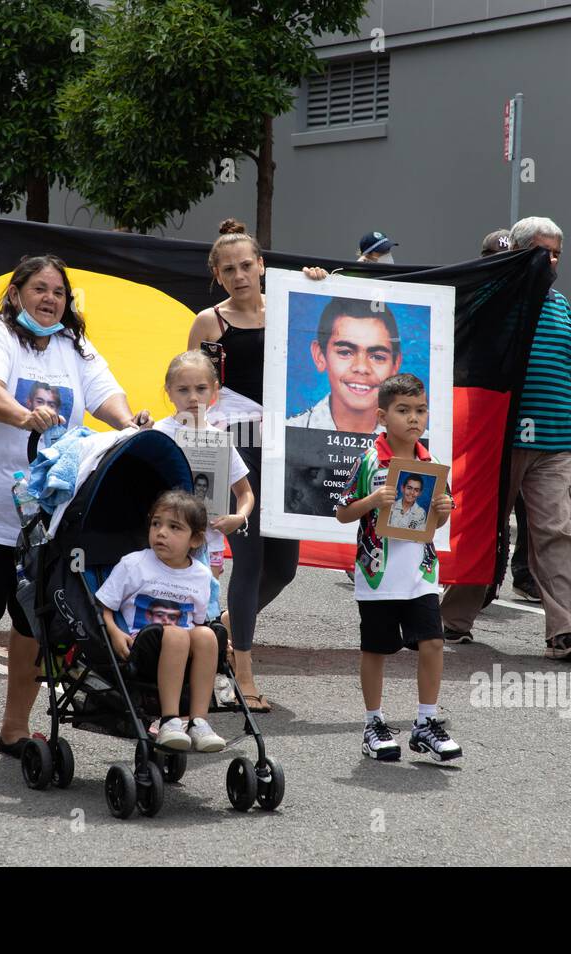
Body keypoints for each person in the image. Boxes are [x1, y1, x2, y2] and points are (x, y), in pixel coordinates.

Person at [0, 254, 151, 754]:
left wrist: (129, 424)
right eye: (40, 289)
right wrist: (24, 416)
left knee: (36, 617)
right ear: (17, 292)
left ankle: (15, 730)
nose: (50, 299)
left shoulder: (75, 346)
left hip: (47, 504)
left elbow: (105, 395)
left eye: (59, 292)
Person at [439, 216, 571, 658]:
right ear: (519, 253)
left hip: (553, 443)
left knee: (556, 532)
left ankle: (567, 630)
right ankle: (453, 619)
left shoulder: (562, 307)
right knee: (484, 528)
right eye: (542, 253)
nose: (551, 261)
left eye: (556, 254)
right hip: (498, 438)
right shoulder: (492, 301)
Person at [186, 219, 315, 712]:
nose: (239, 275)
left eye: (247, 265)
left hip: (287, 449)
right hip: (234, 450)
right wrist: (198, 448)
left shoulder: (289, 307)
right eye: (228, 269)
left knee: (284, 567)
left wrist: (317, 286)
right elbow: (191, 387)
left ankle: (218, 637)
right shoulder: (208, 323)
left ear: (262, 265)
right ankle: (241, 675)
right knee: (251, 560)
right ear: (217, 276)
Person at [336, 373, 462, 762]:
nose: (413, 418)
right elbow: (342, 512)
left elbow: (434, 524)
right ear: (381, 416)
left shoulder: (433, 464)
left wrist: (442, 512)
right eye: (403, 410)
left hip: (421, 574)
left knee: (434, 642)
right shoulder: (369, 461)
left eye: (420, 410)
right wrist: (373, 499)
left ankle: (425, 722)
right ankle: (373, 724)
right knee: (376, 649)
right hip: (377, 575)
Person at [96, 490, 227, 753]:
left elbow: (198, 621)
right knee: (177, 634)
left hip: (184, 653)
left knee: (207, 635)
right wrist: (113, 631)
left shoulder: (201, 575)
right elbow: (102, 605)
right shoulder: (134, 564)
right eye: (156, 524)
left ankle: (199, 721)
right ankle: (170, 719)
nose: (161, 532)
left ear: (196, 539)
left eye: (174, 527)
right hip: (145, 650)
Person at [477, 228, 540, 607]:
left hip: (529, 424)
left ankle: (525, 574)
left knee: (531, 511)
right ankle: (484, 579)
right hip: (488, 425)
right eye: (492, 256)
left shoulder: (534, 301)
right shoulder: (475, 298)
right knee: (491, 512)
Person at [152, 350, 254, 582]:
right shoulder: (157, 433)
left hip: (209, 545)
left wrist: (239, 518)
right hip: (163, 541)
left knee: (204, 608)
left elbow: (245, 492)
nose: (193, 398)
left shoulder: (220, 440)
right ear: (168, 391)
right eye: (183, 389)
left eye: (201, 388)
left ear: (214, 391)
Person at [286, 297, 402, 432]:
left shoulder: (420, 445)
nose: (361, 367)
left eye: (377, 357)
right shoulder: (281, 433)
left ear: (395, 364)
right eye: (346, 352)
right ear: (320, 356)